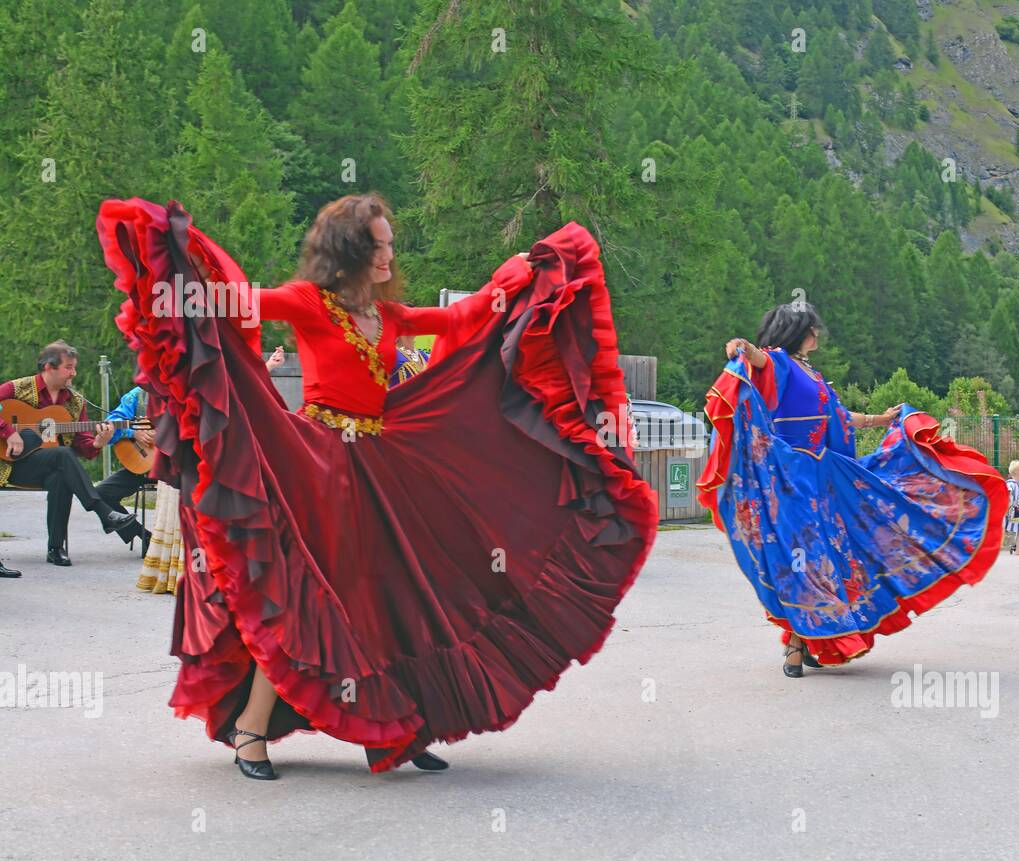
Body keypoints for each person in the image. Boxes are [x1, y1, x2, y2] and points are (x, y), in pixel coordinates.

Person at [97, 193, 657, 780]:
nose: (390, 253)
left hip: (377, 466)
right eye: (380, 244)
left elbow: (464, 320)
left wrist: (524, 275)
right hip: (315, 465)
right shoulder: (309, 302)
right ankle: (251, 731)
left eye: (389, 242)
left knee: (390, 598)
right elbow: (242, 305)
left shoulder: (388, 317)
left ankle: (394, 729)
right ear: (351, 250)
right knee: (302, 599)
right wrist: (176, 270)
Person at [698, 302, 1008, 678]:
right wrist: (741, 347)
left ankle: (811, 642)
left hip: (825, 476)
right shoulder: (779, 362)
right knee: (807, 559)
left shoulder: (812, 374)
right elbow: (755, 358)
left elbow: (841, 417)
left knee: (837, 553)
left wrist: (884, 419)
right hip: (793, 479)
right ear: (797, 330)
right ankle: (796, 645)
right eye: (813, 328)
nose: (817, 335)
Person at [137, 350, 286, 596]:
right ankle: (194, 575)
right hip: (188, 432)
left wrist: (267, 366)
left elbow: (234, 386)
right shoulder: (183, 353)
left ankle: (205, 574)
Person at [0, 340, 141, 565]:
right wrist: (8, 432)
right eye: (68, 367)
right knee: (63, 455)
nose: (73, 373)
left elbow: (83, 444)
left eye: (74, 367)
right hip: (8, 465)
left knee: (61, 471)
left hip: (41, 467)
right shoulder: (18, 388)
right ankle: (105, 514)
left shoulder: (75, 401)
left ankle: (55, 549)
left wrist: (98, 442)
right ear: (49, 367)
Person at [93, 384, 153, 554]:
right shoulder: (138, 395)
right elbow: (111, 426)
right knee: (101, 494)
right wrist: (133, 433)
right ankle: (145, 537)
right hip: (143, 466)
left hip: (177, 467)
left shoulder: (185, 391)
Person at [1005, 460, 1019, 555]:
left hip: (1017, 511)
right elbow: (1008, 492)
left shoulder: (1017, 485)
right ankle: (1018, 549)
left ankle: (1018, 548)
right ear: (1018, 473)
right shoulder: (1012, 484)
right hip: (1014, 512)